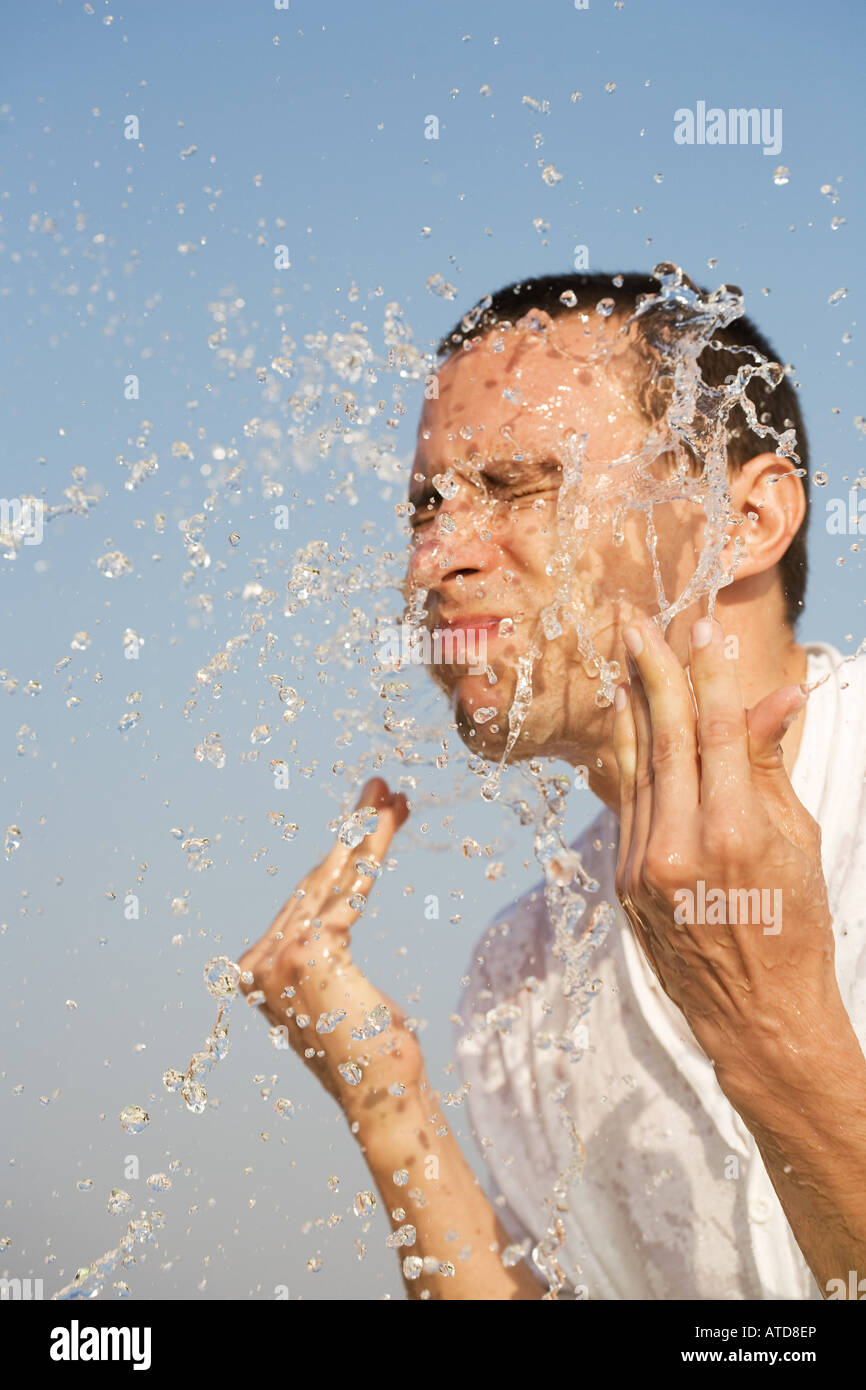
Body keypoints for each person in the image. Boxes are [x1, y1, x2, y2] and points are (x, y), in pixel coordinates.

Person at [239, 271, 866, 1300]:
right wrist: (388, 1103)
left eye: (521, 486)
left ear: (744, 518)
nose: (432, 562)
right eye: (425, 506)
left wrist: (765, 1021)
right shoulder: (517, 979)